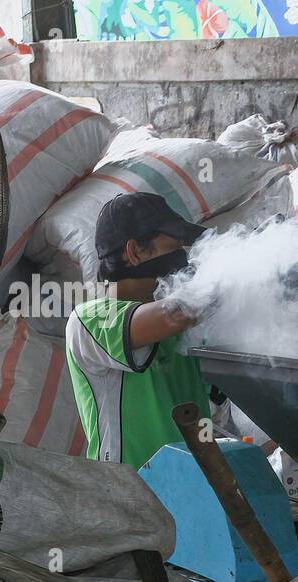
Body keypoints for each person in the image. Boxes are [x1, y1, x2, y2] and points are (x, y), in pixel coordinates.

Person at [66, 192, 212, 470]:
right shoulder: (90, 320)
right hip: (129, 495)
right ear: (134, 252)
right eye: (172, 247)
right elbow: (177, 313)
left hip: (196, 490)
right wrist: (237, 275)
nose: (181, 259)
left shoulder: (183, 328)